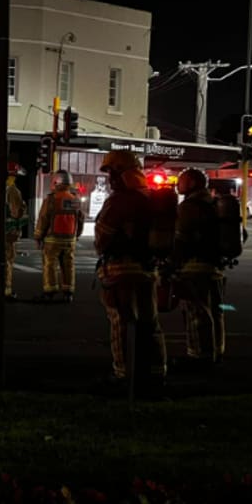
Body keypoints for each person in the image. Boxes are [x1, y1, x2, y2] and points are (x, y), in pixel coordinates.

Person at [94, 150, 167, 393]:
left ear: (119, 174)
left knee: (121, 323)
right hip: (148, 271)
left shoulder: (119, 201)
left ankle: (124, 374)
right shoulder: (151, 198)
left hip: (121, 272)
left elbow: (103, 238)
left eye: (111, 173)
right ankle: (156, 373)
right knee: (150, 323)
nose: (109, 179)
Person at [171, 167, 225, 372]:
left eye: (181, 181)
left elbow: (180, 239)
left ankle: (198, 357)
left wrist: (172, 264)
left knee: (196, 313)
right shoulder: (216, 204)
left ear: (193, 183)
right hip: (215, 267)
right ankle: (216, 353)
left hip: (193, 267)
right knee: (216, 312)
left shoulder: (188, 207)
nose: (178, 184)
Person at [33, 169, 84, 302]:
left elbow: (43, 219)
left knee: (50, 265)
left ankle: (49, 291)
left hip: (52, 240)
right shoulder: (75, 199)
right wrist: (76, 235)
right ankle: (68, 293)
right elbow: (80, 220)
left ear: (57, 182)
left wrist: (38, 236)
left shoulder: (51, 199)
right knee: (68, 265)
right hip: (70, 240)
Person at [4, 161, 28, 301]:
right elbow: (17, 212)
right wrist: (23, 208)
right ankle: (6, 291)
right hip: (9, 232)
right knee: (7, 261)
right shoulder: (13, 191)